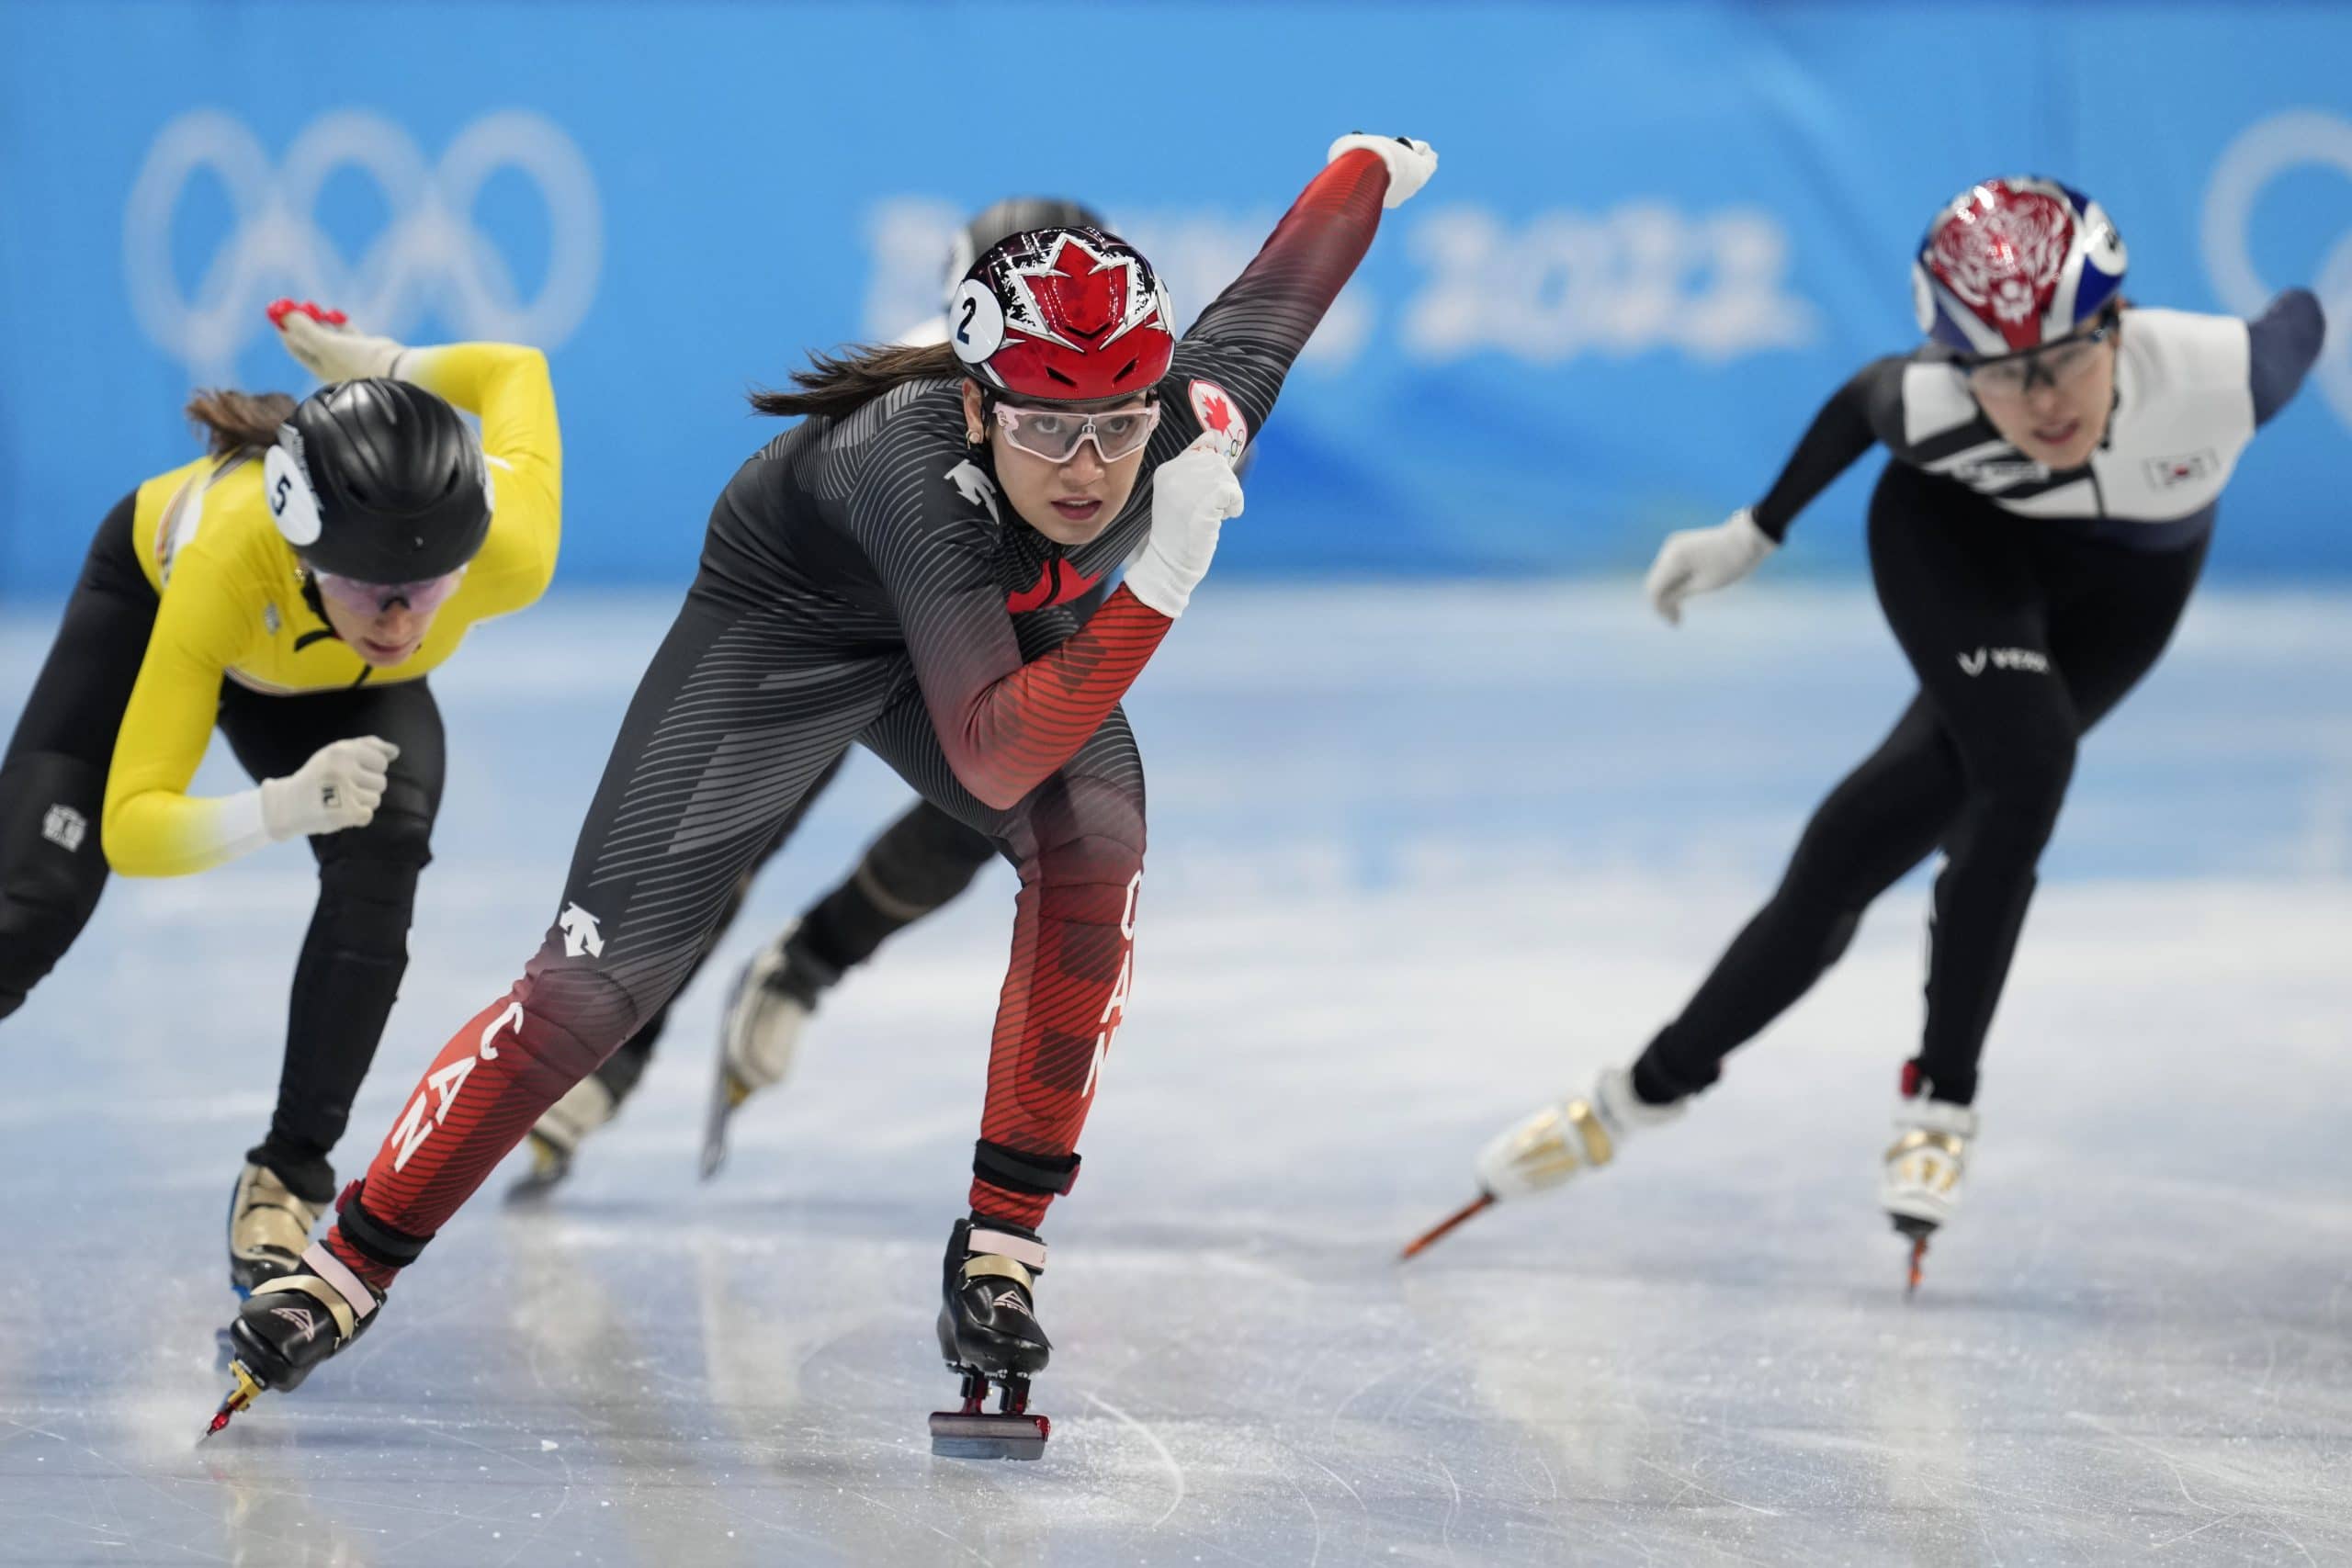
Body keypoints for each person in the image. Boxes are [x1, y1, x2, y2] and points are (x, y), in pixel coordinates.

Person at [210, 134, 1437, 1456]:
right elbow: (992, 757)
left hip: (972, 641)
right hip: (788, 636)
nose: (1087, 468)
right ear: (977, 408)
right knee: (594, 989)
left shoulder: (1186, 419)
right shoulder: (911, 466)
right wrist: (1161, 577)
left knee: (1099, 833)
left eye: (1118, 426)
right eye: (1043, 427)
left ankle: (1002, 1249)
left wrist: (1365, 165)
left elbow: (1281, 292)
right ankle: (345, 1264)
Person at [1405, 176, 2324, 1287]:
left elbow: (2303, 314)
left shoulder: (2225, 376)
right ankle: (1927, 1102)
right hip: (1957, 545)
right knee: (2021, 761)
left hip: (2128, 590)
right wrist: (1754, 533)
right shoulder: (1933, 404)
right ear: (1959, 367)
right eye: (2001, 374)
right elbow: (1858, 401)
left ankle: (1632, 1098)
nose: (2039, 402)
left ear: (2117, 324)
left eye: (2062, 361)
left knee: (1879, 831)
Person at [513, 197, 1117, 1197]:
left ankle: (808, 963)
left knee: (1005, 802)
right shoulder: (910, 389)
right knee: (738, 826)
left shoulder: (1125, 400)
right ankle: (617, 1052)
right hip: (848, 619)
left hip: (987, 619)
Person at [0, 302, 560, 1294]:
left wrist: (385, 360)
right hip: (159, 608)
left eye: (431, 584)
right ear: (304, 551)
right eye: (369, 586)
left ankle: (288, 1175)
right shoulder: (225, 562)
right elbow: (130, 827)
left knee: (384, 854)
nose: (400, 620)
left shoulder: (508, 545)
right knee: (30, 908)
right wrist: (274, 809)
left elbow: (517, 370)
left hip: (340, 686)